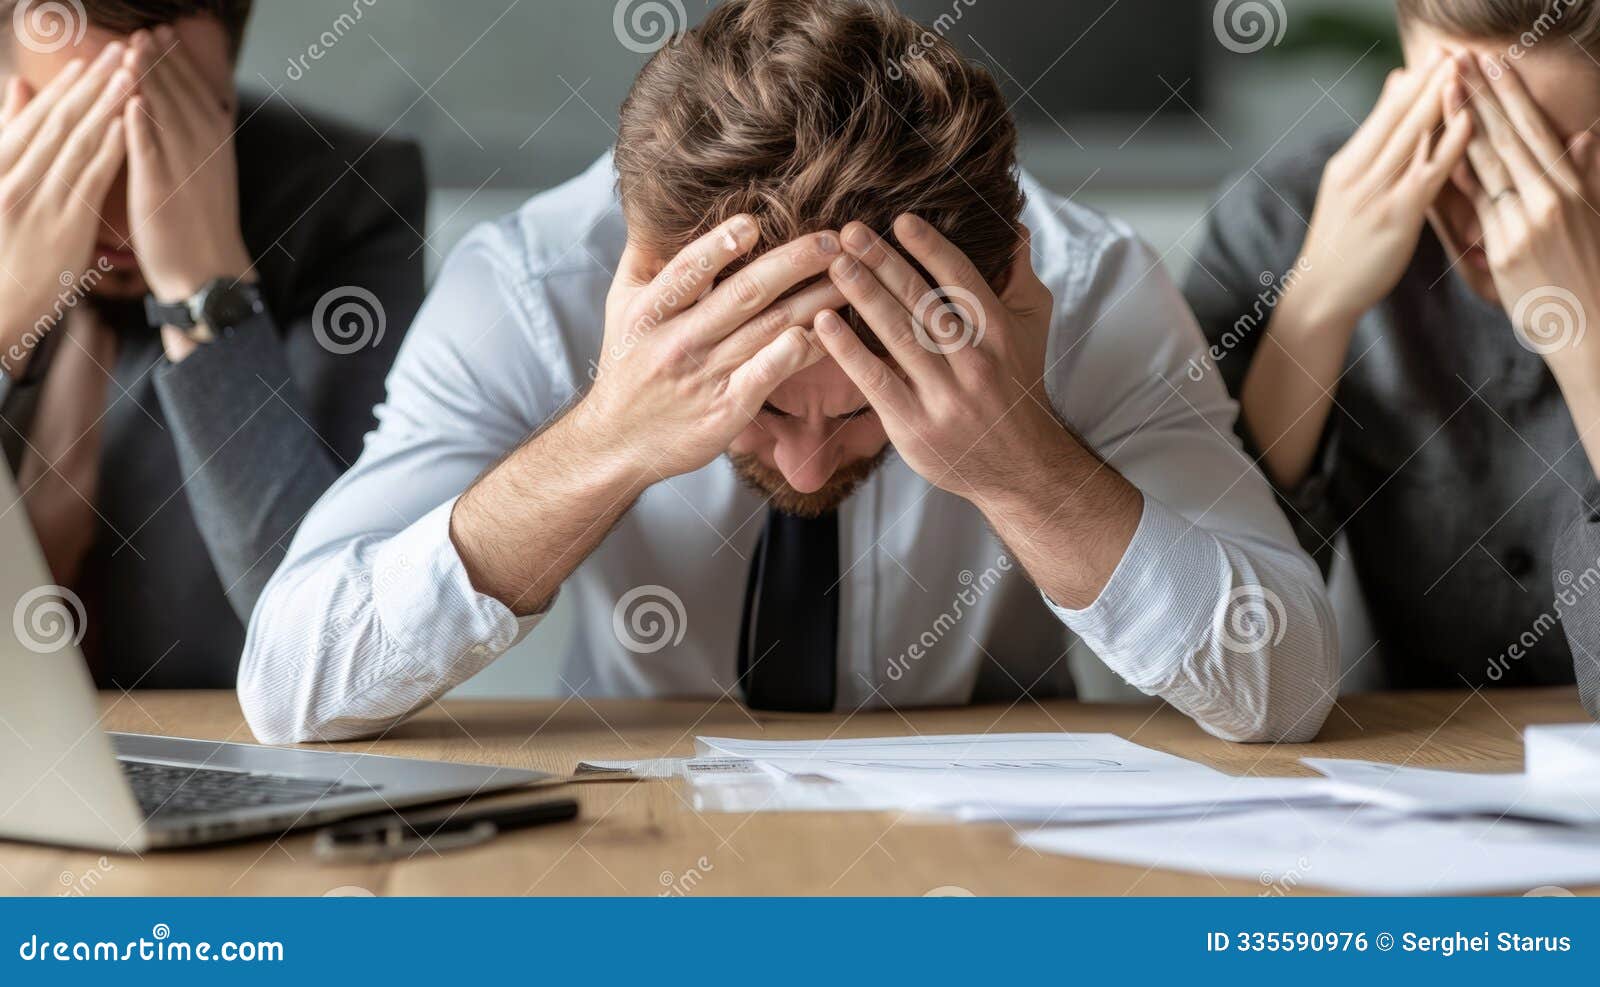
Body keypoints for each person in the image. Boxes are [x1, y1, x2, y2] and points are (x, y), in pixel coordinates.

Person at [239, 0, 1338, 745]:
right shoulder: (528, 287)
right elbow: (293, 686)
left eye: (868, 410)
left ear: (1006, 288)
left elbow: (1283, 686)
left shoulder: (1089, 293)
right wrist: (606, 439)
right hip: (633, 855)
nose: (810, 461)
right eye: (760, 406)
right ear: (643, 272)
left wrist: (1023, 467)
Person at [1184, 0, 1600, 714]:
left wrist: (1584, 333)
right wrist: (1314, 314)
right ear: (1403, 87)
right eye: (1459, 143)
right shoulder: (1276, 223)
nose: (1505, 217)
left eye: (1541, 160)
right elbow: (1210, 654)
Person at [0, 1, 425, 687]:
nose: (130, 203)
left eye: (173, 124)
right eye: (74, 128)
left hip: (217, 754)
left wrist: (205, 290)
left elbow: (339, 651)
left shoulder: (342, 203)